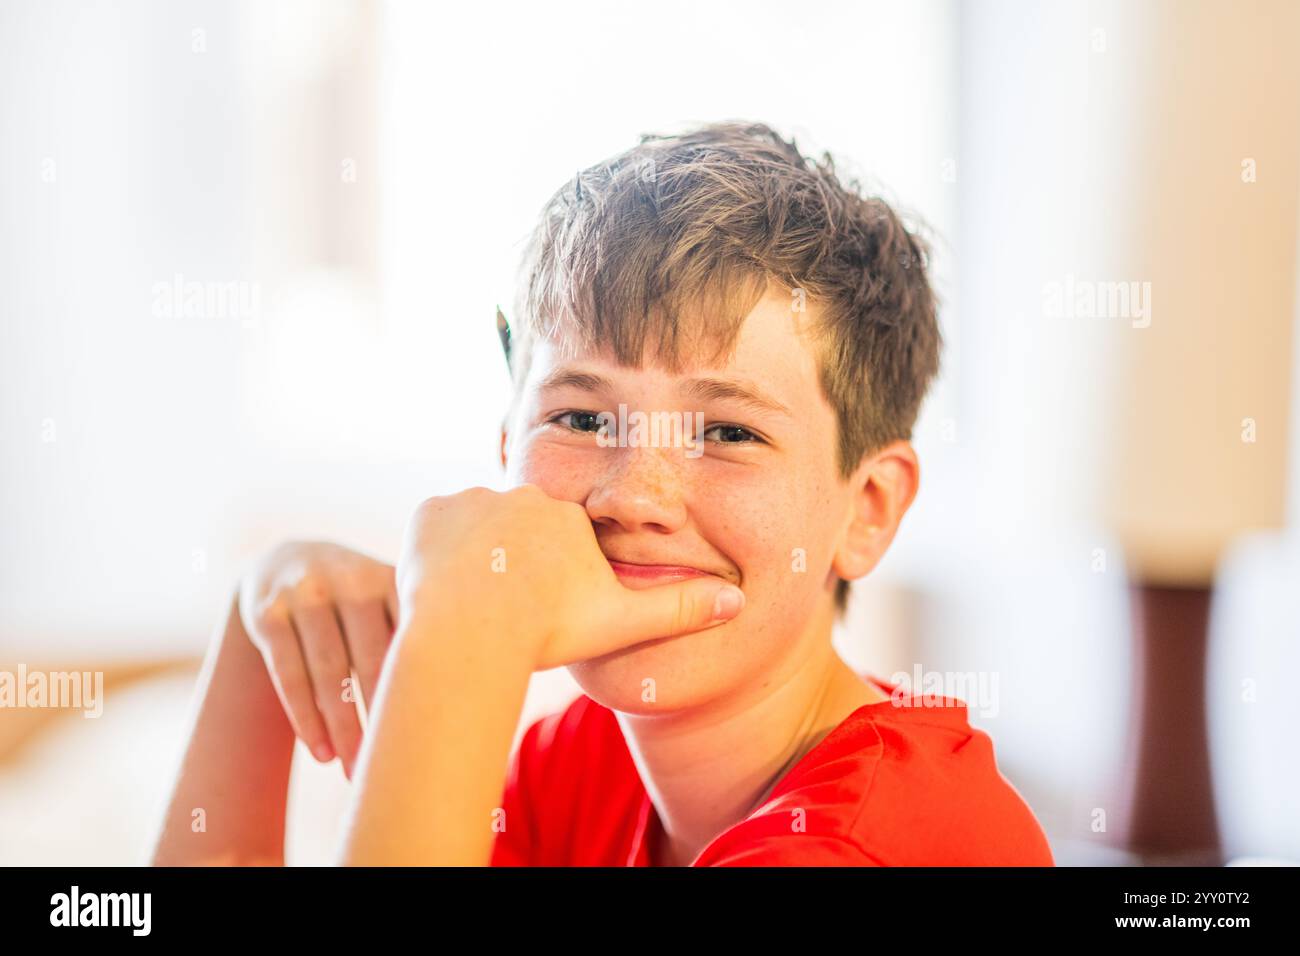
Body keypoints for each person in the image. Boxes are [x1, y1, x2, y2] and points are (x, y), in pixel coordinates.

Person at [150, 121, 1054, 866]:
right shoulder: (582, 764)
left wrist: (469, 627)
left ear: (868, 510)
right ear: (509, 449)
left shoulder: (878, 843)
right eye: (581, 419)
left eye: (728, 433)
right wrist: (254, 631)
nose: (635, 496)